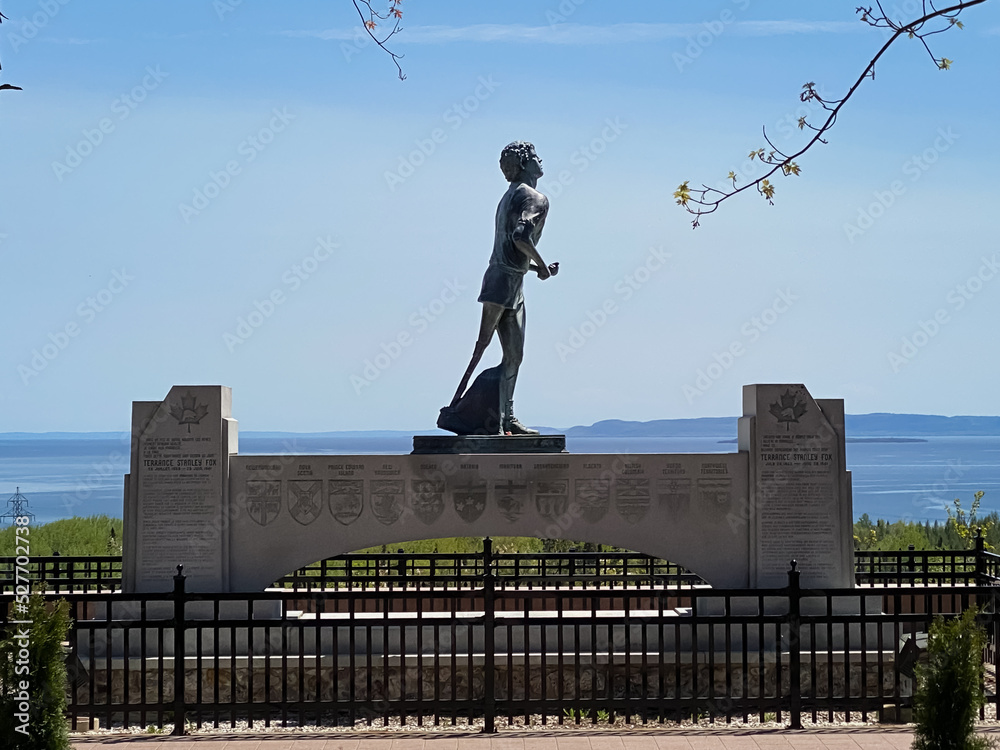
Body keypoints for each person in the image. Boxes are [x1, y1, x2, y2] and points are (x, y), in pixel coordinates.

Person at [443, 141, 559, 436]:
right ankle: (462, 411)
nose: (539, 160)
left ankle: (505, 418)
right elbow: (521, 237)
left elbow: (511, 248)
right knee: (483, 348)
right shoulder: (535, 198)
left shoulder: (509, 196)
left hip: (508, 280)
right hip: (502, 282)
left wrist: (536, 269)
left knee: (512, 355)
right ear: (523, 164)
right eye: (534, 156)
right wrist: (542, 266)